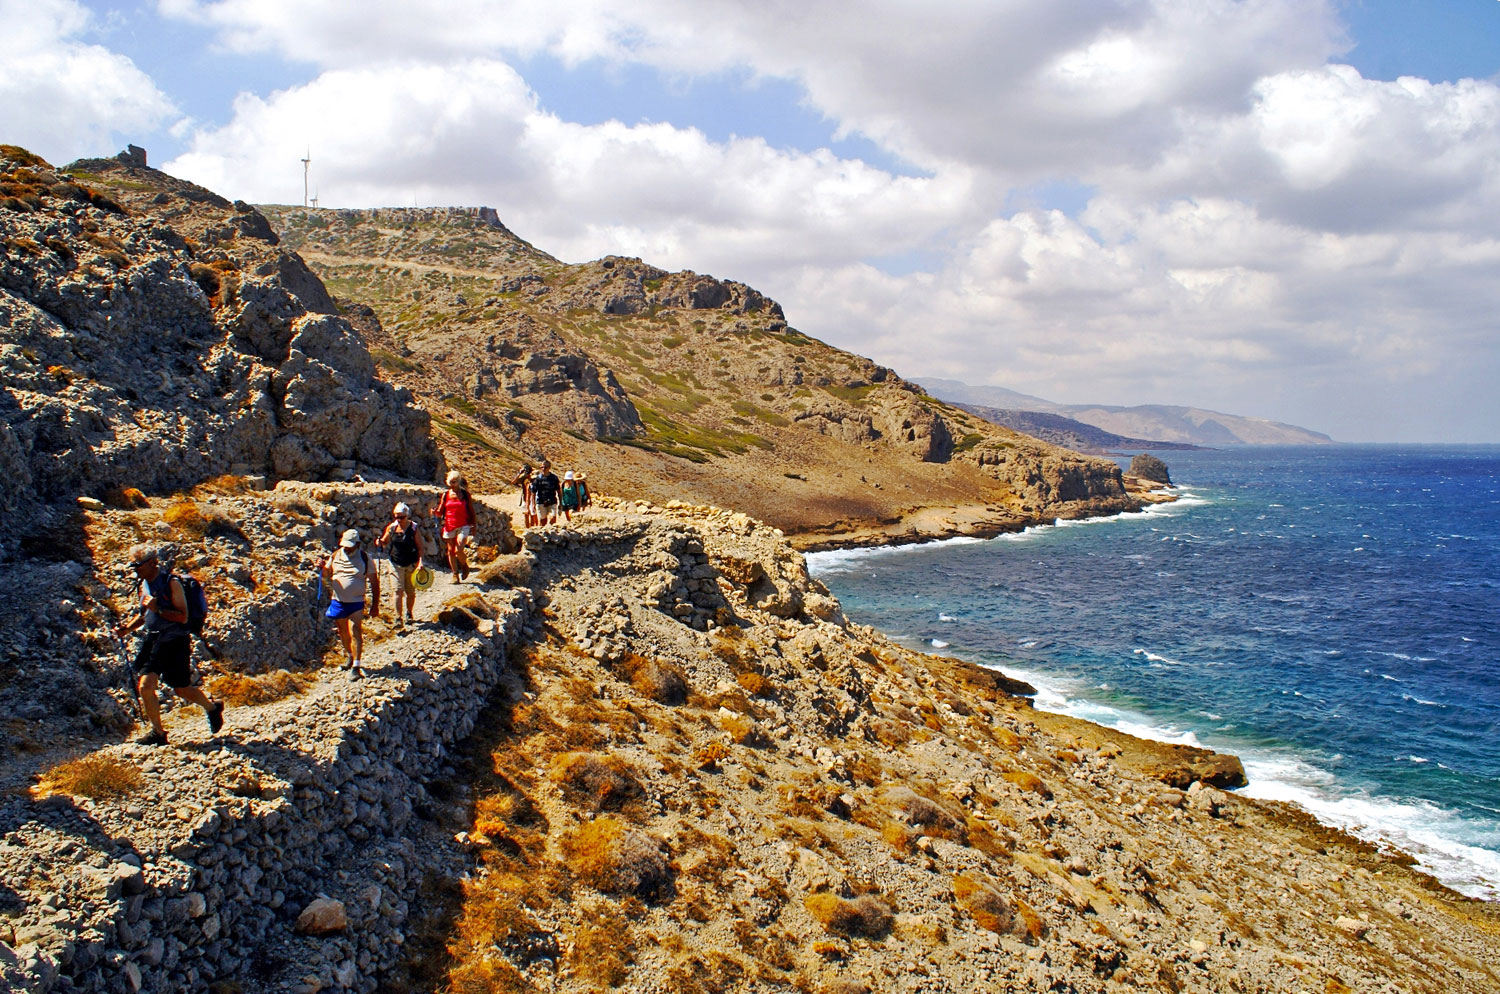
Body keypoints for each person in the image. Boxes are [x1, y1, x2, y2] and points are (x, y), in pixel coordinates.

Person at [112, 544, 224, 745]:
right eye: (133, 565)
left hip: (175, 641)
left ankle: (212, 708)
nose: (134, 569)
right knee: (145, 686)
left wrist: (158, 608)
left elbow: (182, 617)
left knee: (182, 689)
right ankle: (158, 732)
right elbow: (144, 614)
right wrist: (126, 629)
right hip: (154, 640)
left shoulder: (172, 583)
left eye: (138, 565)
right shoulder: (144, 585)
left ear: (152, 563)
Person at [322, 529, 380, 679]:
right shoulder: (335, 555)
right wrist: (322, 567)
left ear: (357, 544)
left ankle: (356, 666)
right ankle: (350, 655)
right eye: (345, 546)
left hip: (356, 602)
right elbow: (326, 573)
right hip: (338, 600)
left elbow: (374, 583)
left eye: (350, 546)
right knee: (343, 631)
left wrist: (375, 605)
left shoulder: (365, 558)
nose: (346, 548)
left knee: (356, 631)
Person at [377, 502, 425, 629]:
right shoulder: (392, 528)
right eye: (396, 517)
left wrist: (420, 562)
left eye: (401, 517)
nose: (399, 519)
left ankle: (409, 612)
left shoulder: (413, 528)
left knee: (410, 592)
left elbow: (420, 547)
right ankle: (398, 618)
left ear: (407, 516)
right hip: (395, 563)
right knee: (397, 591)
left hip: (411, 564)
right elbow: (385, 542)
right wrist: (380, 542)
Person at [434, 470, 477, 579]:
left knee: (458, 549)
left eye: (454, 482)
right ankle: (455, 574)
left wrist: (473, 525)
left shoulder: (465, 494)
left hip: (463, 525)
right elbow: (440, 511)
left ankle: (464, 565)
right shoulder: (446, 495)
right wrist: (435, 512)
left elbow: (471, 510)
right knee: (450, 551)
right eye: (451, 482)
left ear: (458, 481)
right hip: (449, 525)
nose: (452, 484)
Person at [531, 459, 561, 526]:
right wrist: (533, 504)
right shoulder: (538, 479)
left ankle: (551, 529)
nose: (543, 469)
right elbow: (533, 492)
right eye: (542, 467)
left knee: (553, 517)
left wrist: (561, 503)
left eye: (545, 467)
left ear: (549, 468)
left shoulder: (554, 478)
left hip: (552, 501)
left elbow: (558, 490)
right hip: (541, 501)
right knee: (543, 520)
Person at [509, 463, 534, 528]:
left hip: (533, 498)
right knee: (526, 514)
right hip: (525, 497)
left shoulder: (533, 477)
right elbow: (513, 482)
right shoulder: (523, 478)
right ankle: (528, 528)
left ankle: (533, 527)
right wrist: (519, 473)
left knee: (532, 514)